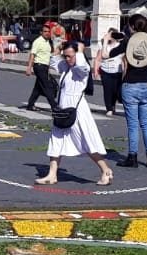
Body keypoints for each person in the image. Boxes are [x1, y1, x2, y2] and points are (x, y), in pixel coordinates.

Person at [38, 41, 113, 186]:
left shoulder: (81, 68)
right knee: (56, 140)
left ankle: (105, 170)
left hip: (76, 110)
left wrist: (79, 51)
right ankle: (52, 174)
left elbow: (81, 65)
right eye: (65, 56)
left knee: (85, 141)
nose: (67, 59)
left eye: (70, 56)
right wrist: (59, 49)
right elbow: (52, 62)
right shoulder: (66, 66)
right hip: (63, 110)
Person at [105, 15, 147, 168]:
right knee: (146, 124)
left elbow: (107, 55)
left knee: (133, 125)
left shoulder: (128, 42)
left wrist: (106, 40)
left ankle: (132, 157)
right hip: (146, 84)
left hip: (131, 84)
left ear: (132, 26)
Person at [23, 22, 56, 110]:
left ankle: (30, 105)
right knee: (47, 86)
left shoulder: (48, 42)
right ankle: (54, 106)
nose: (47, 33)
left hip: (45, 67)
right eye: (45, 31)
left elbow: (47, 55)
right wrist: (29, 68)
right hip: (39, 66)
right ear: (41, 32)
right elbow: (32, 55)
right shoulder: (37, 41)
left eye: (48, 31)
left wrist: (48, 68)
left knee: (38, 87)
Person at [94, 28, 124, 116]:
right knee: (107, 90)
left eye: (113, 35)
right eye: (110, 34)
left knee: (116, 91)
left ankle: (113, 105)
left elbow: (124, 60)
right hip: (105, 71)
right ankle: (109, 108)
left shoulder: (121, 46)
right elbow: (98, 59)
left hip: (117, 71)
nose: (111, 37)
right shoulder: (104, 46)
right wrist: (95, 71)